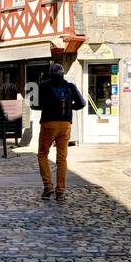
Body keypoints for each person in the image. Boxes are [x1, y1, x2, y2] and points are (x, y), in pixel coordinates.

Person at [35, 62, 85, 201]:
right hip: (65, 124)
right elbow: (82, 103)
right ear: (63, 74)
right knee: (62, 158)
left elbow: (35, 104)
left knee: (42, 154)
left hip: (48, 124)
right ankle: (61, 191)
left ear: (50, 74)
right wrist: (70, 107)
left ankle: (48, 186)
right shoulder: (69, 86)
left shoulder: (44, 85)